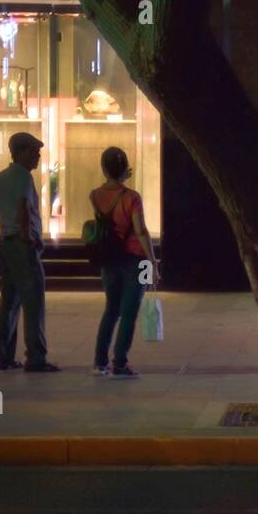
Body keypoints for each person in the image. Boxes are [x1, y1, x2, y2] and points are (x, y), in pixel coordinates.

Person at [0, 132, 59, 372]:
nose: (38, 156)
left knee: (9, 301)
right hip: (22, 247)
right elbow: (23, 206)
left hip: (6, 245)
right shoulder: (23, 177)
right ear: (19, 153)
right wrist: (28, 236)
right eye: (33, 151)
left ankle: (4, 356)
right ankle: (36, 358)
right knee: (33, 302)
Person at [90, 147, 157, 378]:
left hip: (109, 259)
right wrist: (153, 264)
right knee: (129, 313)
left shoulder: (95, 195)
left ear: (103, 167)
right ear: (125, 167)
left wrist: (117, 180)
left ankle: (99, 363)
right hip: (135, 260)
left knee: (111, 310)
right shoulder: (132, 197)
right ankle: (119, 363)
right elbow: (140, 231)